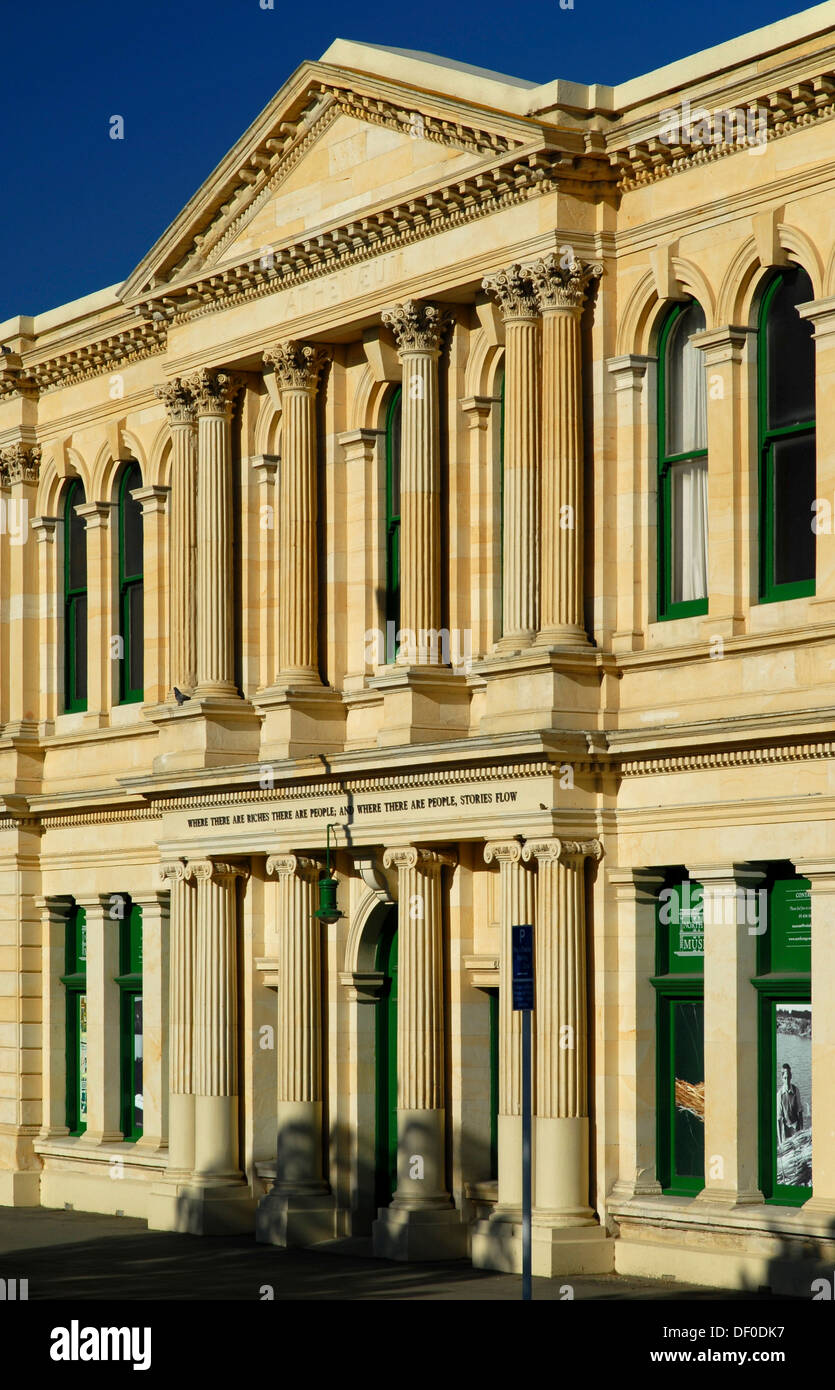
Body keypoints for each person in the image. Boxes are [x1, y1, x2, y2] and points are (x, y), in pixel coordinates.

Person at [777, 1063, 804, 1146]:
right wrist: (780, 1141)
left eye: (788, 1077)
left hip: (796, 1127)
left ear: (791, 1076)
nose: (787, 1080)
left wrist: (802, 1132)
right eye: (785, 1078)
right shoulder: (779, 1095)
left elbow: (800, 1112)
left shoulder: (796, 1091)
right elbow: (779, 1119)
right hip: (785, 1130)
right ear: (782, 1078)